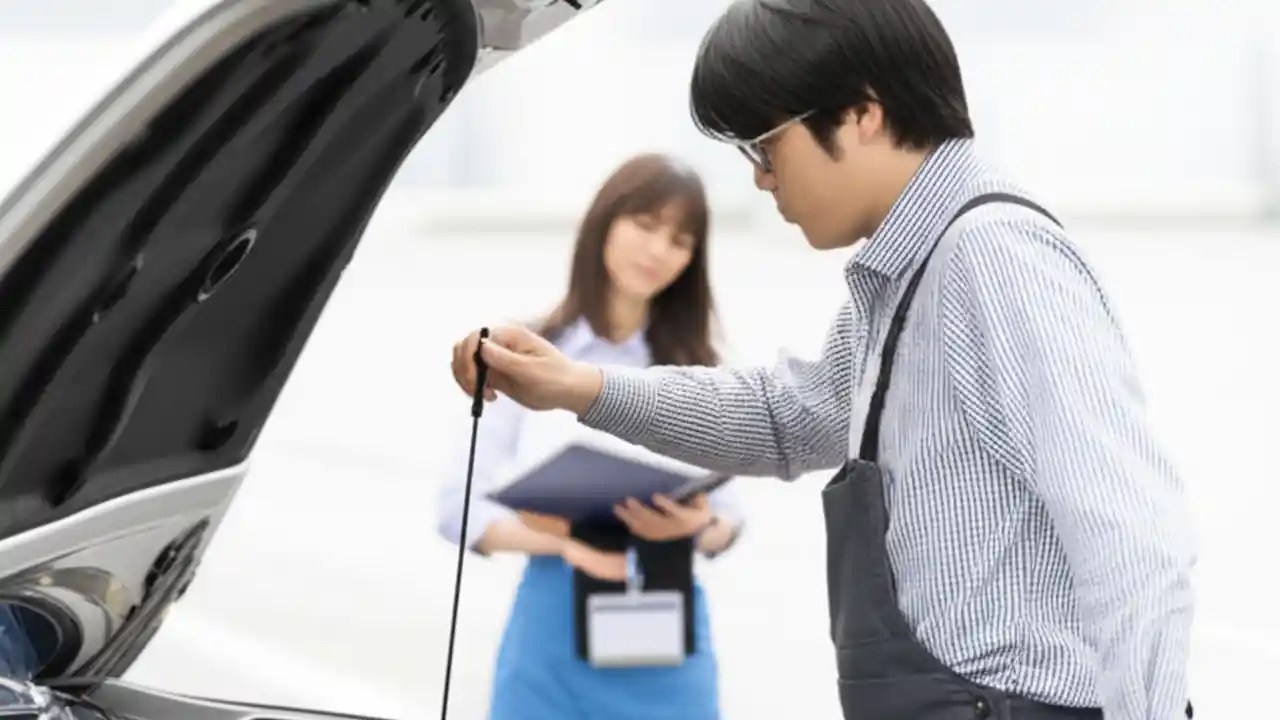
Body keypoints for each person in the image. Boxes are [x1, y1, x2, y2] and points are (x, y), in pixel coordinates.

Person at [449, 1, 1198, 719]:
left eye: (765, 145)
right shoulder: (909, 272)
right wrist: (577, 387)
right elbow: (784, 421)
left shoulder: (993, 256)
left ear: (860, 112)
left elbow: (1131, 539)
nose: (761, 179)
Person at [437, 153, 745, 720]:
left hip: (667, 640)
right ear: (605, 221)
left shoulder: (700, 372)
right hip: (551, 637)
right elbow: (458, 509)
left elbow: (728, 520)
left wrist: (698, 525)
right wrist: (568, 545)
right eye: (646, 225)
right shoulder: (524, 353)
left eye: (680, 240)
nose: (658, 251)